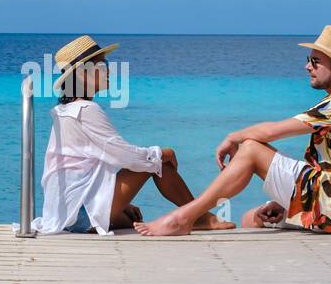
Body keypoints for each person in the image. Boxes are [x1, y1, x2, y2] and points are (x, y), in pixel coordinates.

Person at [134, 25, 331, 237]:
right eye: (309, 60)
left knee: (252, 149)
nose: (308, 67)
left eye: (315, 61)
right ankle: (199, 217)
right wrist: (284, 199)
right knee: (251, 219)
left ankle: (185, 217)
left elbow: (273, 131)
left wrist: (234, 137)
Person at [35, 35, 235, 235]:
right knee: (157, 163)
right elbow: (127, 157)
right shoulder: (86, 109)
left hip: (65, 216)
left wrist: (122, 203)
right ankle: (198, 216)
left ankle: (186, 216)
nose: (109, 71)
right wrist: (165, 153)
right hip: (80, 213)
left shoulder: (65, 110)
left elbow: (88, 166)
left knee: (132, 218)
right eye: (102, 65)